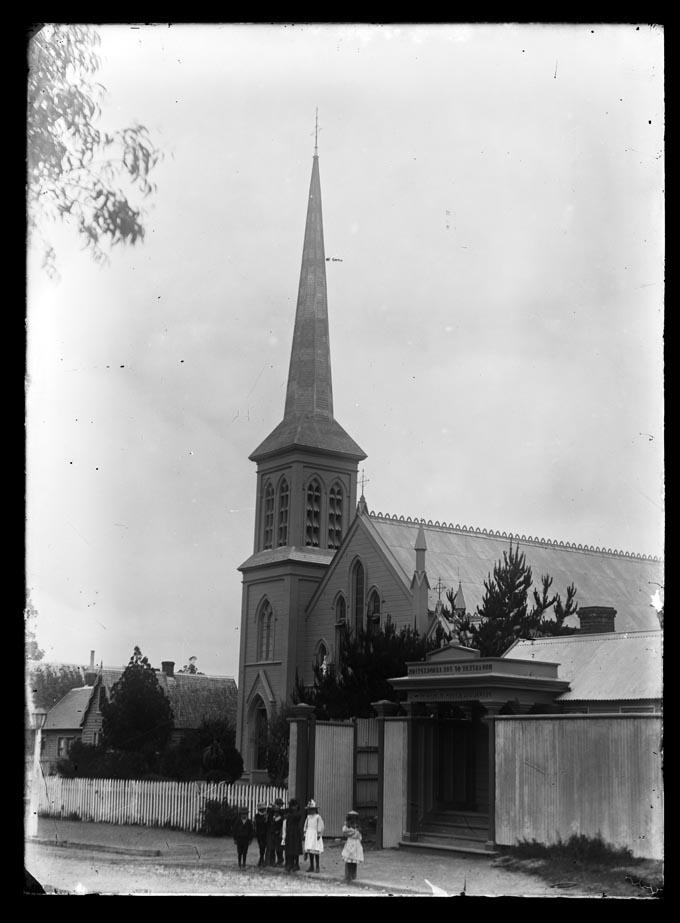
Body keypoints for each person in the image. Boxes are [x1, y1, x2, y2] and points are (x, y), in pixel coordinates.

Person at [341, 810, 364, 882]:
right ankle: (348, 875)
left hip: (356, 844)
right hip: (351, 843)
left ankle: (352, 875)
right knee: (349, 859)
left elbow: (359, 836)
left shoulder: (356, 827)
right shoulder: (348, 827)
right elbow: (345, 831)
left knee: (354, 860)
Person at [303, 799, 325, 872]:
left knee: (315, 850)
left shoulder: (317, 817)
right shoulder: (308, 817)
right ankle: (311, 866)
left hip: (315, 834)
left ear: (315, 810)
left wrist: (319, 833)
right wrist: (305, 832)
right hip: (309, 834)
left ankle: (317, 866)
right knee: (310, 850)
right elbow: (306, 825)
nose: (311, 811)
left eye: (312, 809)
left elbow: (320, 825)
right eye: (310, 810)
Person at [284, 797, 304, 872]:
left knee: (295, 849)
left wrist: (289, 814)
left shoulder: (298, 813)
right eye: (293, 806)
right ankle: (290, 864)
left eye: (295, 806)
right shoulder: (289, 813)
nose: (294, 807)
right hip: (289, 833)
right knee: (290, 849)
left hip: (295, 833)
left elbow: (296, 816)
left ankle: (296, 864)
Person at [267, 799, 285, 866]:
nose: (279, 806)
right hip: (272, 832)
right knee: (272, 848)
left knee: (279, 848)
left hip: (278, 832)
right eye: (278, 804)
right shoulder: (271, 812)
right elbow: (269, 819)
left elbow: (281, 821)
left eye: (280, 805)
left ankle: (280, 861)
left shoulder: (281, 813)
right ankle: (272, 861)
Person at [254, 802, 269, 867]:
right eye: (262, 809)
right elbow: (259, 823)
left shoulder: (266, 816)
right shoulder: (257, 816)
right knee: (261, 847)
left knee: (265, 847)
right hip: (260, 834)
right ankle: (261, 859)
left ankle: (263, 860)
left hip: (266, 833)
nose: (263, 810)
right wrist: (264, 819)